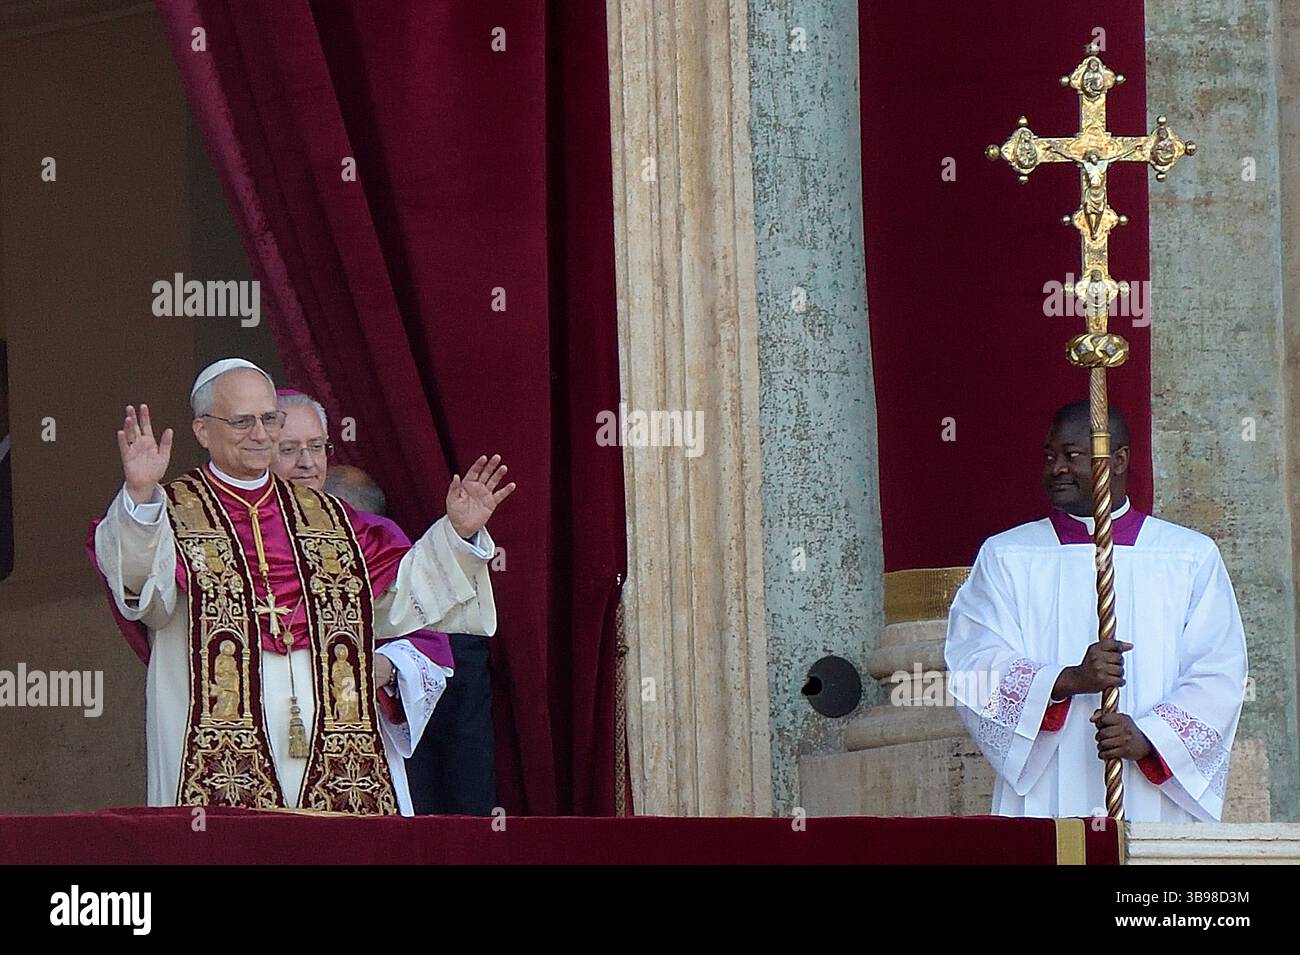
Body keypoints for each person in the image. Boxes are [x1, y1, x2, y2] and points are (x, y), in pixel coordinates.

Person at [91, 358, 515, 816]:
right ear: (202, 430)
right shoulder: (169, 512)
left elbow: (396, 603)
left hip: (330, 734)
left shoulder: (330, 518)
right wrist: (137, 496)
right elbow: (143, 595)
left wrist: (455, 536)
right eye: (242, 421)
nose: (260, 434)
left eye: (268, 419)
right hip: (212, 738)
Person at [944, 401, 1247, 821]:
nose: (1057, 469)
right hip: (1047, 787)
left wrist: (1150, 738)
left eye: (1073, 456)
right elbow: (972, 662)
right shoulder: (1007, 556)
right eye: (1050, 456)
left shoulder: (1188, 557)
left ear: (1118, 459)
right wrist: (1067, 680)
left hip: (1147, 791)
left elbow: (1220, 673)